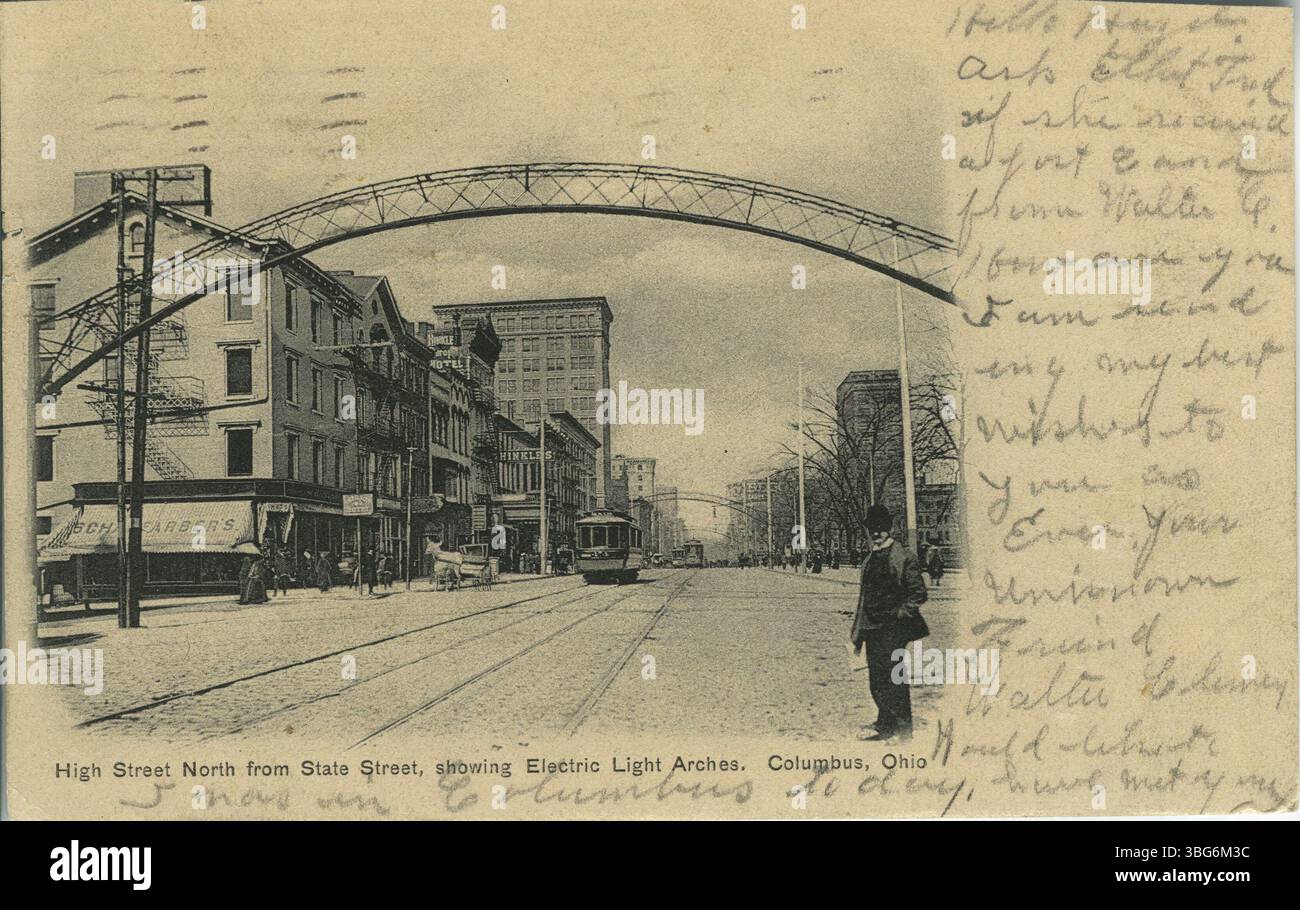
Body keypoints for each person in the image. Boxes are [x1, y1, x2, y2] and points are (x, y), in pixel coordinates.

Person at [851, 504, 928, 743]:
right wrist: (859, 630)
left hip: (893, 629)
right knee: (877, 680)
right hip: (872, 627)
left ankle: (904, 730)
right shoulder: (870, 557)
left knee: (895, 678)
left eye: (881, 529)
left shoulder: (903, 557)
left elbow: (918, 593)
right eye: (872, 529)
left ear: (889, 529)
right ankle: (885, 724)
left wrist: (901, 613)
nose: (876, 533)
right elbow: (865, 596)